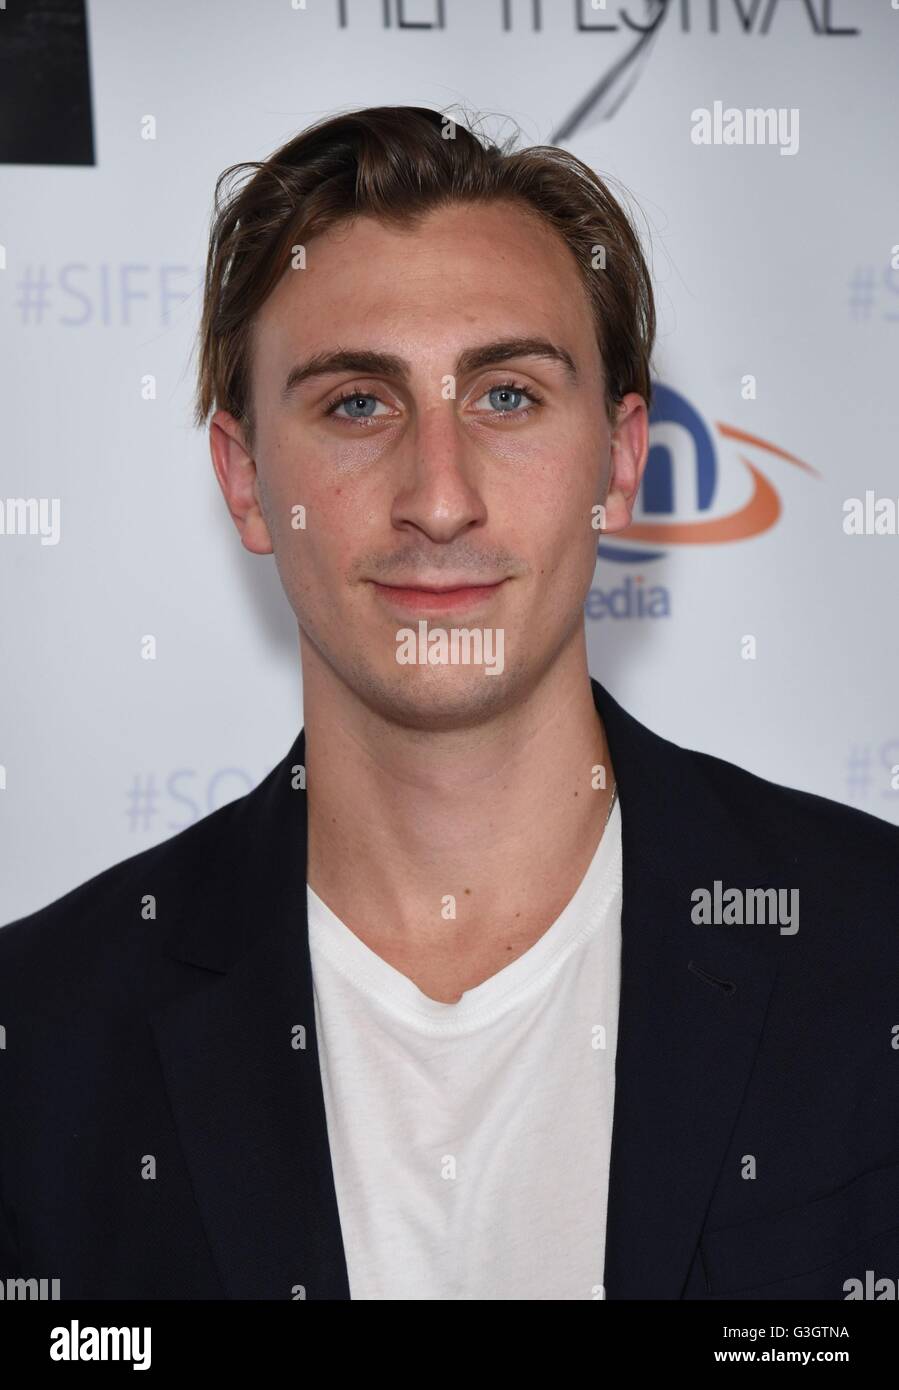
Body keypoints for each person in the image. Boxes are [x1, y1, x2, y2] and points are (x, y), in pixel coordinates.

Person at [2, 106, 898, 1302]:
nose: (438, 496)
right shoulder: (45, 1044)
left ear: (621, 462)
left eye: (507, 397)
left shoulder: (868, 945)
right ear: (245, 479)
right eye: (358, 403)